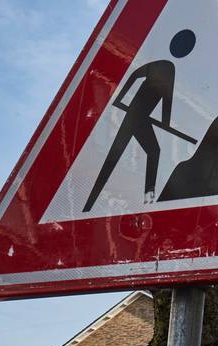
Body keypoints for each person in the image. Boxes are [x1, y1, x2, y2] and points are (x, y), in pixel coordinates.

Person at [82, 29, 196, 213]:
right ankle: (91, 203)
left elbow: (165, 98)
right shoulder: (165, 67)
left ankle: (147, 199)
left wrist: (165, 123)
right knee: (116, 156)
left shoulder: (166, 68)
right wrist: (121, 99)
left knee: (144, 152)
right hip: (135, 115)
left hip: (140, 117)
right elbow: (137, 76)